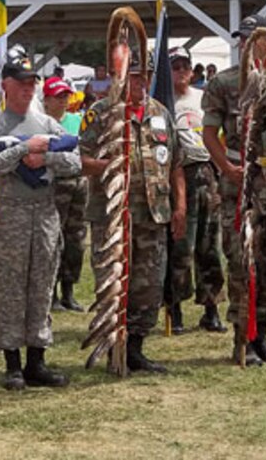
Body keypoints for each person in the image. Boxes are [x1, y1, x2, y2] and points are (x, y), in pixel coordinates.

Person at [0, 46, 81, 390]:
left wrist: (46, 156)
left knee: (41, 286)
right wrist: (22, 149)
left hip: (45, 213)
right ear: (5, 85)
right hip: (11, 214)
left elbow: (75, 162)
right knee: (10, 288)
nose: (28, 89)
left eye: (32, 83)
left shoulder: (47, 124)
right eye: (21, 82)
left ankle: (37, 360)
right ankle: (12, 364)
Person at [202, 14, 266, 366]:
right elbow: (209, 133)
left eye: (254, 39)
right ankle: (243, 337)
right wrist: (226, 167)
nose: (247, 45)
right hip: (240, 185)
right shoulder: (225, 83)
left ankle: (265, 336)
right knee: (243, 261)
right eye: (242, 40)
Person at [80, 52, 185, 374]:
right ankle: (113, 348)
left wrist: (180, 206)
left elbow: (176, 163)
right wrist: (112, 166)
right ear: (120, 76)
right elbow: (81, 160)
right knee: (114, 284)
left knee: (148, 286)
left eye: (146, 76)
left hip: (153, 215)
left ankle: (136, 348)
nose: (141, 82)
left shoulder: (160, 113)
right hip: (113, 217)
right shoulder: (100, 113)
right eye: (135, 75)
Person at [167, 46, 225, 334]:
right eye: (175, 67)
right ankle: (174, 307)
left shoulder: (204, 99)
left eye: (184, 67)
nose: (181, 72)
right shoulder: (163, 101)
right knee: (180, 245)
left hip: (207, 171)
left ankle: (211, 308)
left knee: (209, 244)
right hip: (180, 174)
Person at [41, 76, 88, 312]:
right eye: (58, 97)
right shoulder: (41, 123)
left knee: (76, 238)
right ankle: (51, 293)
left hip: (78, 184)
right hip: (53, 185)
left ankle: (69, 290)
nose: (63, 101)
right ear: (46, 100)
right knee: (52, 239)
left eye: (65, 96)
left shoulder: (77, 120)